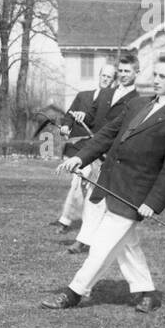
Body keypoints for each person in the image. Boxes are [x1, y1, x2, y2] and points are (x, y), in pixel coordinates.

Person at [42, 53, 165, 313]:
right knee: (126, 244)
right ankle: (147, 291)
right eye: (155, 74)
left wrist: (153, 203)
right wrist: (79, 157)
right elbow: (107, 135)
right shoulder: (137, 105)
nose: (156, 80)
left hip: (135, 195)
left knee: (101, 246)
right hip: (108, 184)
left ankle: (74, 293)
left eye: (163, 76)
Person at [66, 52, 142, 254]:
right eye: (121, 71)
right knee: (93, 198)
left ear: (137, 72)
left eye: (128, 71)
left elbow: (131, 132)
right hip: (94, 154)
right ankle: (84, 240)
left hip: (114, 158)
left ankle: (96, 241)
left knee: (108, 202)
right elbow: (91, 118)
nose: (123, 75)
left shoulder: (138, 101)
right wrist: (82, 116)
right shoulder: (106, 93)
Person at [54, 64, 116, 234]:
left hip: (97, 151)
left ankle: (75, 221)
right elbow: (69, 115)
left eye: (109, 77)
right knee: (80, 181)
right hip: (77, 149)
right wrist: (65, 127)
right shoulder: (83, 96)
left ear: (113, 80)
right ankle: (70, 220)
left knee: (85, 184)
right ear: (99, 75)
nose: (105, 79)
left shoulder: (114, 102)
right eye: (104, 75)